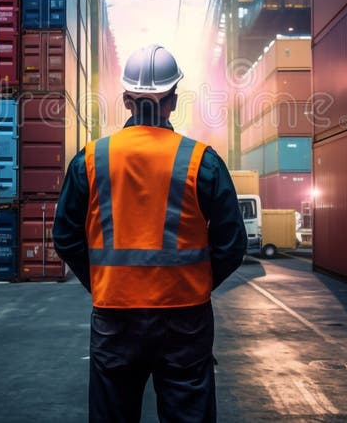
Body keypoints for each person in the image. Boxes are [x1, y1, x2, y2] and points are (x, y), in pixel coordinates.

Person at [53, 44, 247, 423]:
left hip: (115, 316)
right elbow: (232, 243)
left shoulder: (91, 159)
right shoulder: (200, 159)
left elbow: (65, 236)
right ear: (173, 101)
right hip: (185, 319)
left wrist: (104, 281)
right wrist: (197, 283)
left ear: (126, 99)